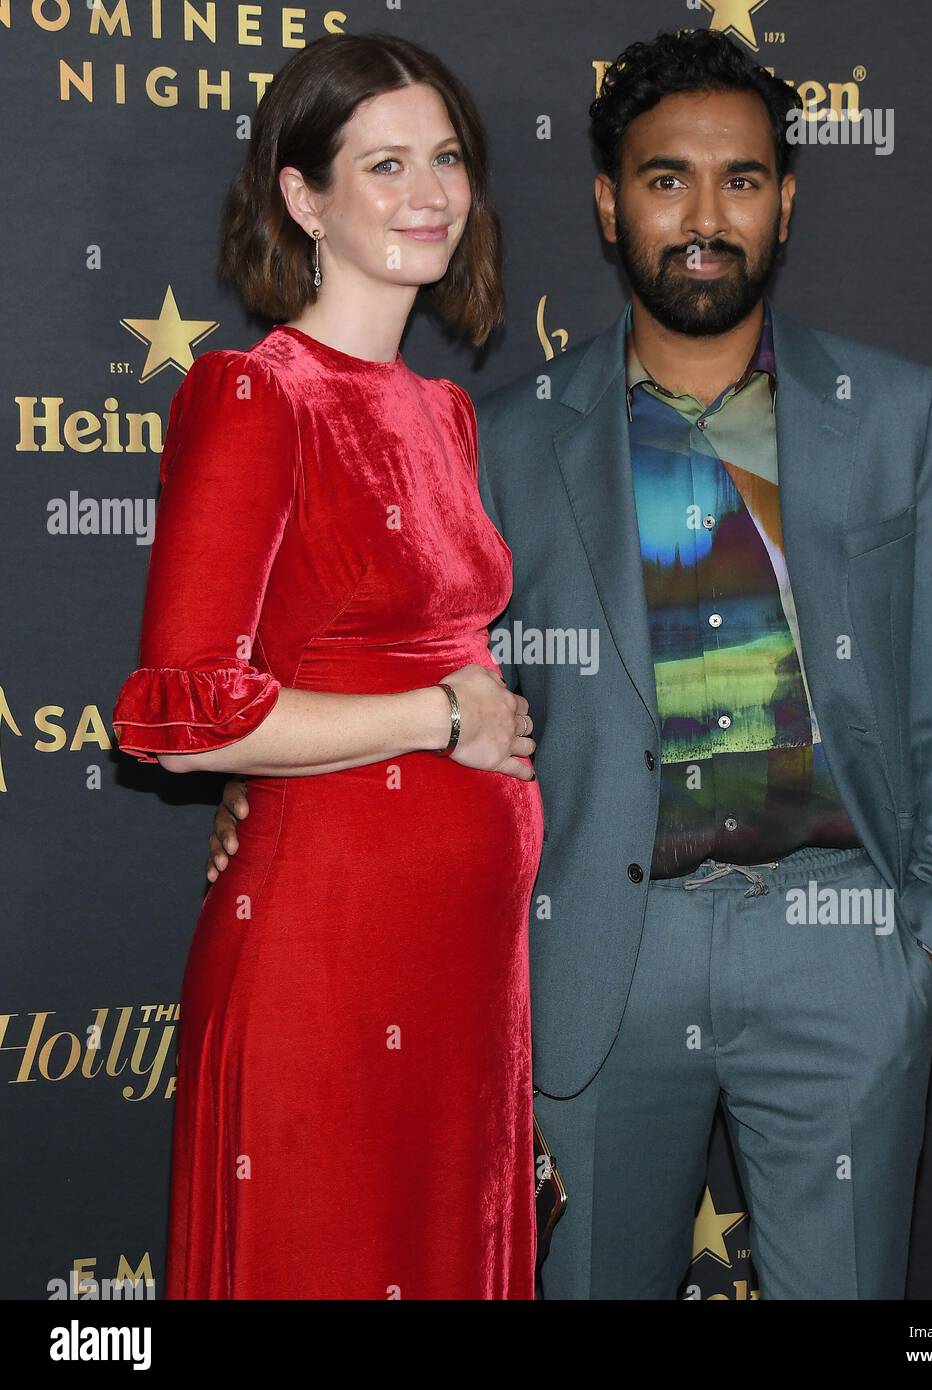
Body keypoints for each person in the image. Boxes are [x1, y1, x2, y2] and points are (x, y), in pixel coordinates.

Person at [208, 29, 932, 1299]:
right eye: (663, 179)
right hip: (589, 957)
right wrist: (269, 790)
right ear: (606, 202)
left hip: (837, 946)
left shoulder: (896, 413)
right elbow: (415, 673)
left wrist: (925, 946)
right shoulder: (506, 439)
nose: (703, 215)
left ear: (785, 203)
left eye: (740, 179)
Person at [112, 32, 542, 1300]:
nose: (429, 194)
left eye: (447, 159)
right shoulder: (257, 396)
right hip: (328, 955)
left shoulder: (442, 412)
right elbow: (185, 717)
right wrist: (433, 718)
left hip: (462, 967)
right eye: (385, 163)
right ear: (302, 198)